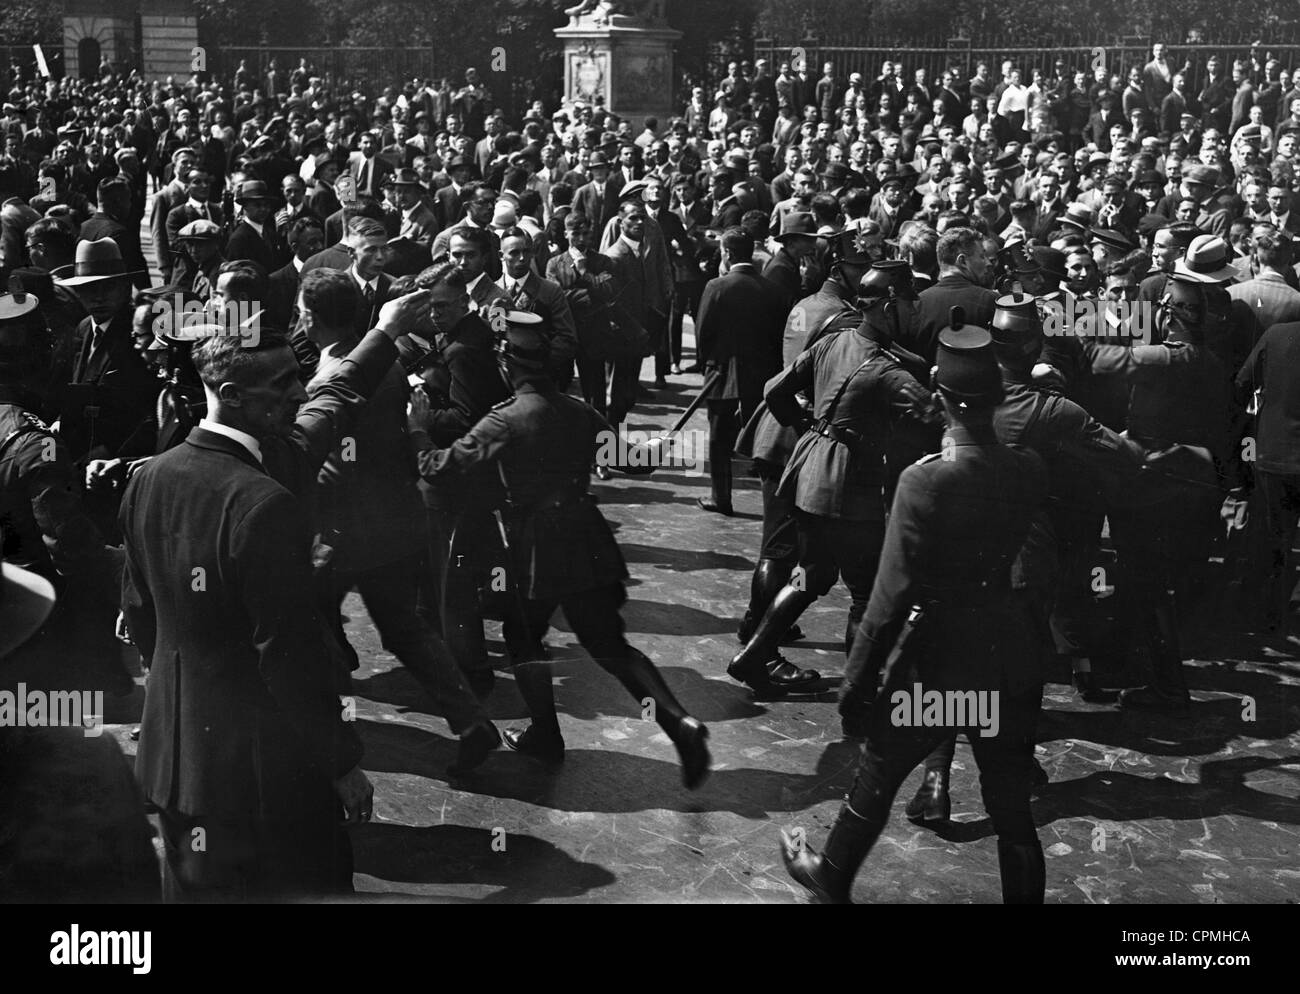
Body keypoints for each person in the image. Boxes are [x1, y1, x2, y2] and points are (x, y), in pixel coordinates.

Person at [119, 287, 432, 901]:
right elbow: (286, 653)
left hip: (175, 760)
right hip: (264, 772)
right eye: (284, 384)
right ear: (232, 397)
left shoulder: (148, 478)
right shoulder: (264, 502)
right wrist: (340, 763)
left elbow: (140, 614)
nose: (300, 391)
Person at [782, 319, 1050, 904]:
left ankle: (830, 879)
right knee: (1010, 805)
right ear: (997, 396)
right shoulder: (1026, 467)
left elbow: (889, 596)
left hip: (937, 654)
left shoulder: (924, 480)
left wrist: (855, 679)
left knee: (878, 774)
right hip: (1004, 649)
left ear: (942, 395)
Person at [408, 311, 711, 790]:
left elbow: (439, 468)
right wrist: (651, 449)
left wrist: (418, 428)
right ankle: (679, 722)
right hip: (587, 537)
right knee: (608, 642)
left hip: (534, 545)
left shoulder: (504, 419)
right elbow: (629, 462)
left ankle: (546, 735)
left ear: (508, 365)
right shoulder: (578, 410)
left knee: (523, 636)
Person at [299, 269, 500, 775]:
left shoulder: (334, 374)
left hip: (340, 531)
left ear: (311, 318)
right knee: (405, 628)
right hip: (395, 520)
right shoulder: (384, 361)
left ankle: (327, 732)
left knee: (307, 623)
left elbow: (326, 457)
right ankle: (472, 719)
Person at [694, 226, 784, 515]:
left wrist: (706, 363)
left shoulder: (716, 287)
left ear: (727, 253)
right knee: (761, 441)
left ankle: (722, 497)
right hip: (762, 376)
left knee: (719, 441)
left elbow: (702, 333)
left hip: (722, 375)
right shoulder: (772, 289)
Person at [495, 227, 578, 389]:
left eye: (526, 252)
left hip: (542, 378)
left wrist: (538, 362)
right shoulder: (495, 291)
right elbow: (496, 332)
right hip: (502, 381)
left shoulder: (550, 291)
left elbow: (567, 338)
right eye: (513, 253)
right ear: (501, 256)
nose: (521, 258)